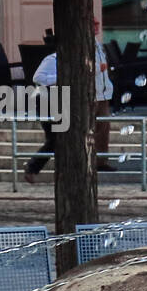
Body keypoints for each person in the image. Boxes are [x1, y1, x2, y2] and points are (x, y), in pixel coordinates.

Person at [22, 24, 113, 181]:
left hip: (62, 101)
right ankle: (34, 168)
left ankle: (55, 169)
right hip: (47, 102)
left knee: (62, 138)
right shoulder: (52, 59)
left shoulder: (76, 60)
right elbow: (37, 78)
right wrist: (61, 78)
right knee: (56, 139)